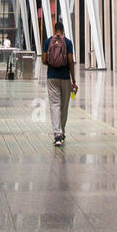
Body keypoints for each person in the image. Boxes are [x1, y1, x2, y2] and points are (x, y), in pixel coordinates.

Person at [41, 19, 77, 147]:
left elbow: (44, 60)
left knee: (54, 105)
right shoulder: (67, 42)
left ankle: (57, 134)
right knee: (64, 106)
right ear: (63, 30)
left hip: (52, 77)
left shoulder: (47, 42)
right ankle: (62, 131)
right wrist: (74, 80)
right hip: (65, 77)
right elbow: (71, 61)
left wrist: (52, 62)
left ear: (54, 29)